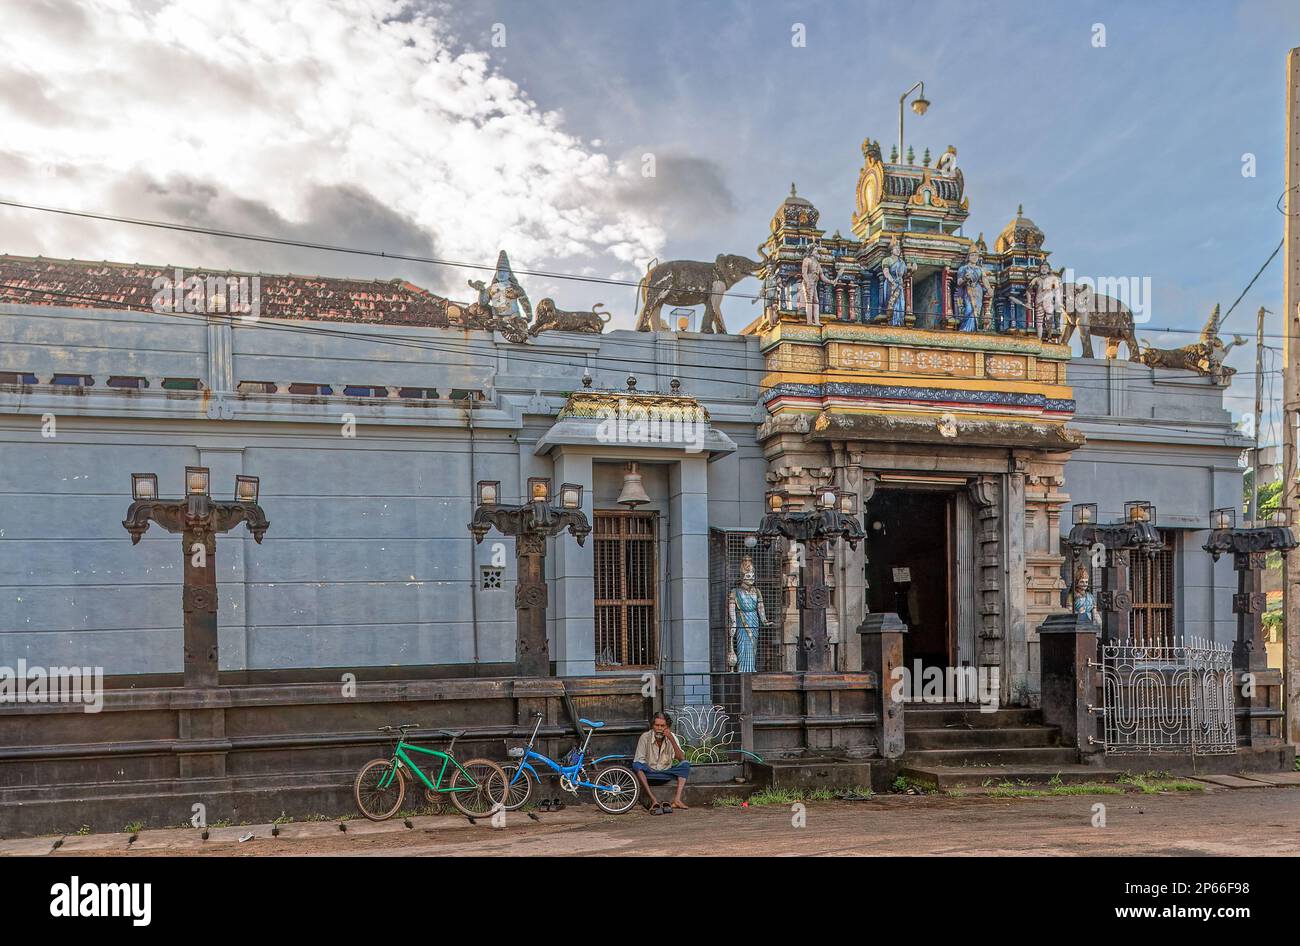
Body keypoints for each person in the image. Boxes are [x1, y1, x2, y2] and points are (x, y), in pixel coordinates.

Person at [632, 711, 690, 812]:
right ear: (652, 726)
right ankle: (653, 800)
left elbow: (681, 758)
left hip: (665, 774)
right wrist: (648, 768)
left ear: (667, 727)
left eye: (662, 726)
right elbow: (639, 760)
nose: (659, 728)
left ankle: (677, 800)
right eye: (656, 725)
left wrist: (671, 739)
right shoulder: (645, 737)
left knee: (685, 765)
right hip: (649, 774)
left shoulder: (671, 737)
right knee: (636, 765)